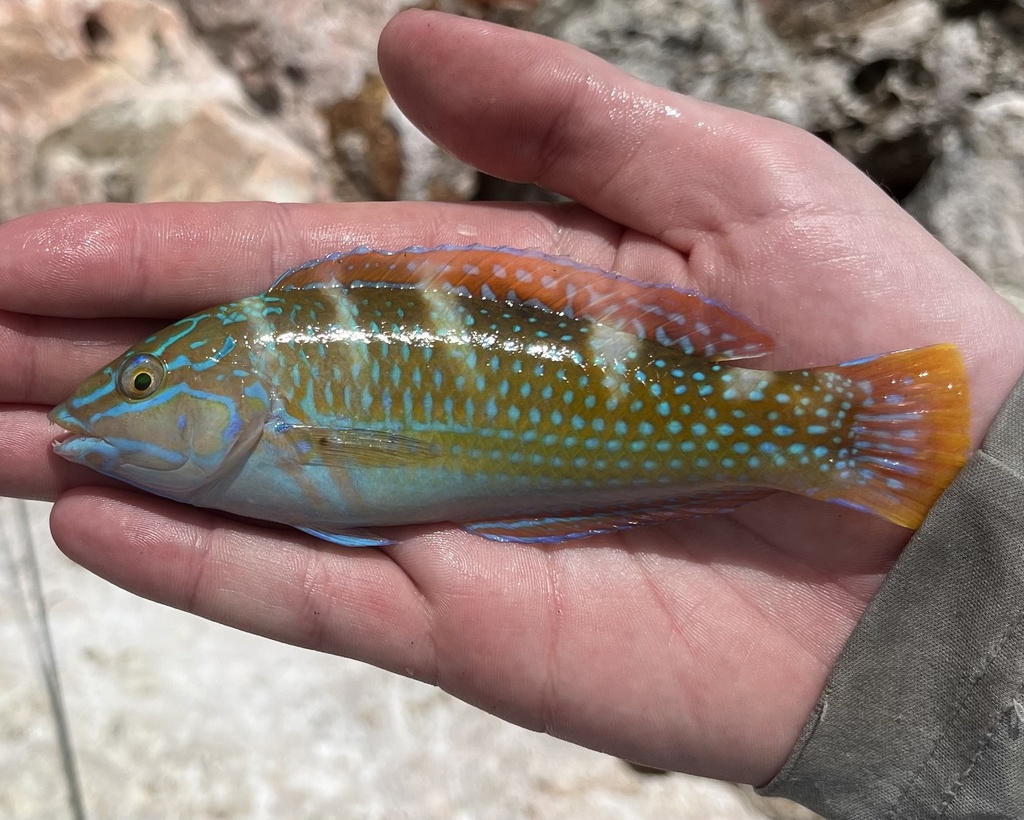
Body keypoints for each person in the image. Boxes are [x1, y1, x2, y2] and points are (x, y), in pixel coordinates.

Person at [2, 9, 1023, 818]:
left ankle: (833, 432)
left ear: (226, 392)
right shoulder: (249, 380)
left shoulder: (271, 387)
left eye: (139, 386)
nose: (105, 409)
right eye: (135, 385)